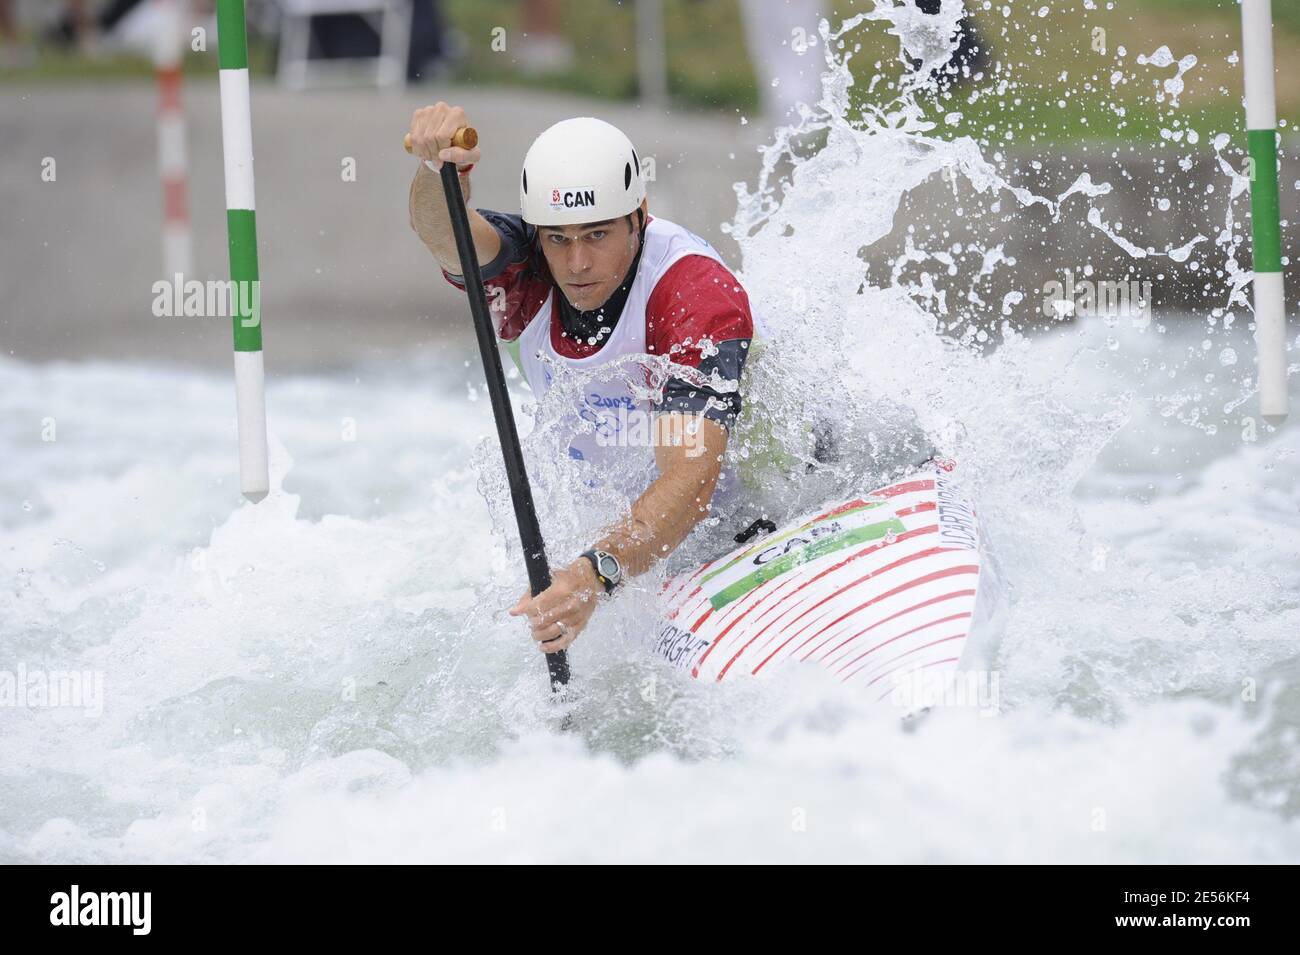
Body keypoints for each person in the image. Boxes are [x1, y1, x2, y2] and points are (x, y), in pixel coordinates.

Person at [408, 103, 756, 656]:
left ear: (639, 215)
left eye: (596, 235)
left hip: (751, 515)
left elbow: (692, 483)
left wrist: (598, 573)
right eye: (559, 239)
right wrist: (437, 171)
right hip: (626, 542)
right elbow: (445, 233)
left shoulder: (691, 293)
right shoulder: (528, 271)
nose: (576, 264)